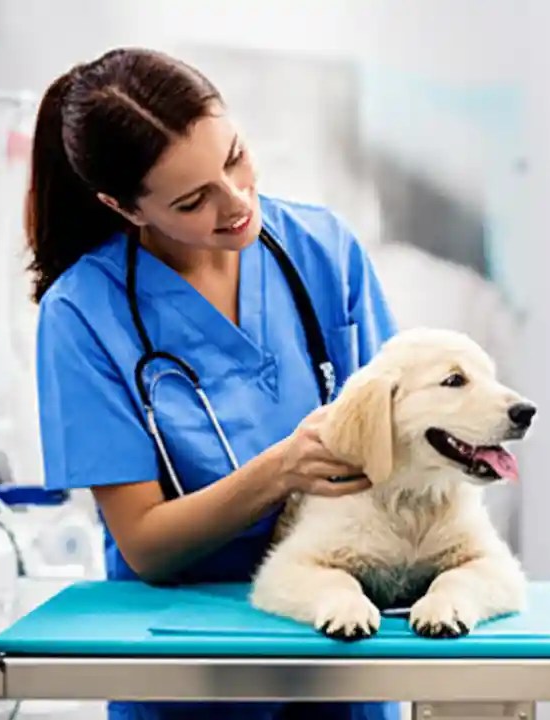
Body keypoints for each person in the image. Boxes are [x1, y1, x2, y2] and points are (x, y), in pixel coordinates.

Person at [26, 47, 400, 720]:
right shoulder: (83, 313)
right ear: (124, 206)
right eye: (193, 200)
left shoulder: (322, 250)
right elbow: (144, 544)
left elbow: (394, 450)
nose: (236, 204)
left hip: (343, 649)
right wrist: (282, 470)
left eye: (235, 158)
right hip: (191, 672)